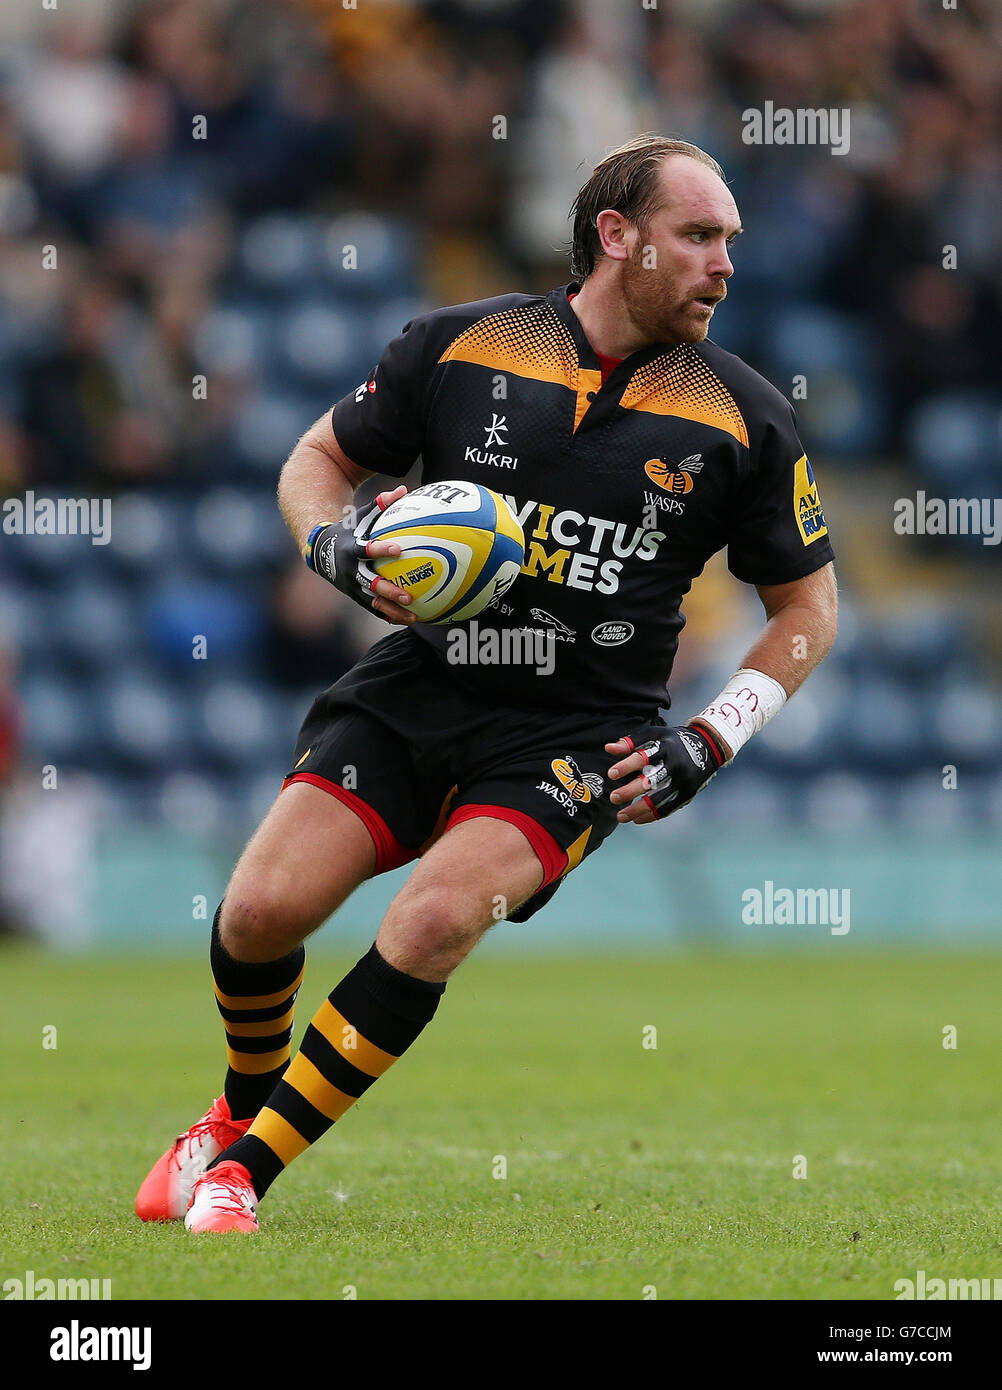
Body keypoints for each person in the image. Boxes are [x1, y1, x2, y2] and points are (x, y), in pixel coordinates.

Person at [136, 134, 837, 1233]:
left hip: (577, 738)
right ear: (617, 237)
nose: (725, 264)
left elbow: (810, 612)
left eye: (731, 242)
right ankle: (231, 1111)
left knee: (432, 921)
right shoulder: (463, 348)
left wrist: (707, 740)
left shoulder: (743, 416)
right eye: (700, 236)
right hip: (421, 686)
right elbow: (312, 465)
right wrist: (337, 553)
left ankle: (244, 1172)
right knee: (259, 912)